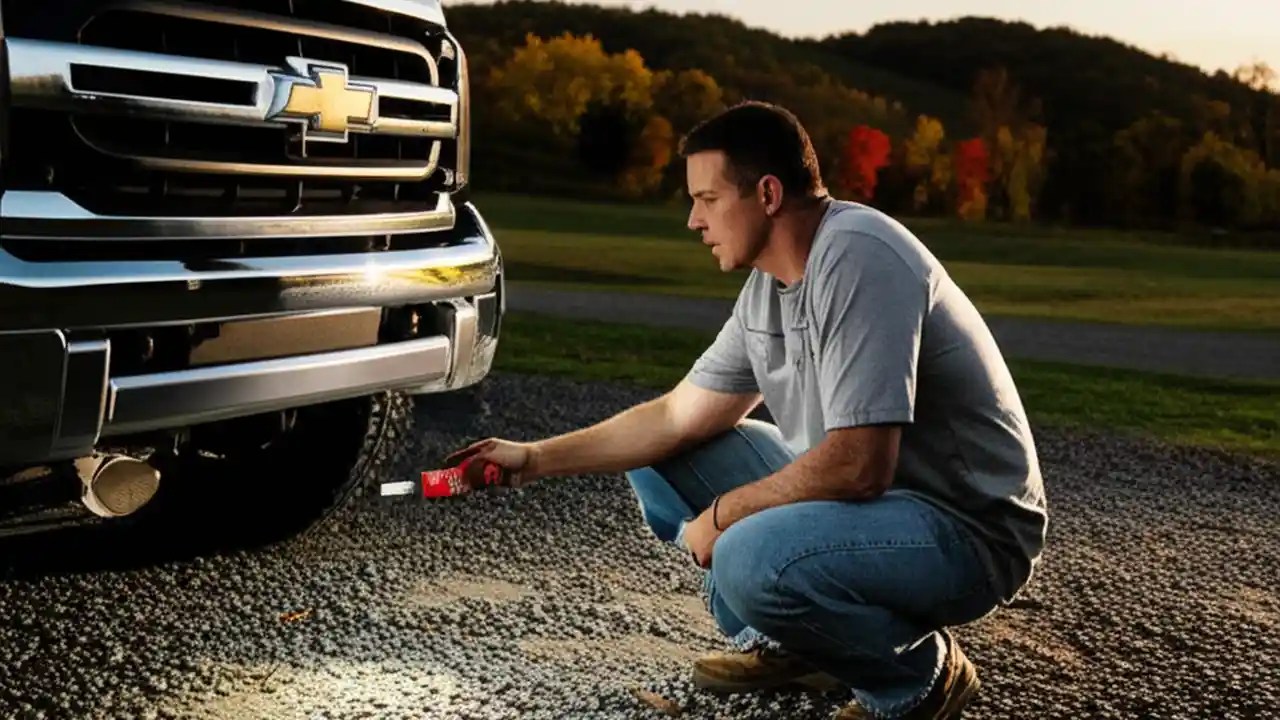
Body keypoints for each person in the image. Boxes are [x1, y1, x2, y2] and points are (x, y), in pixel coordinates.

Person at [447, 101, 1048, 719]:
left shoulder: (860, 256)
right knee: (663, 457)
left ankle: (918, 678)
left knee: (746, 556)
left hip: (969, 530)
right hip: (881, 507)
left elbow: (860, 464)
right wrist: (531, 459)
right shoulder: (768, 288)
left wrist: (724, 513)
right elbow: (675, 419)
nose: (692, 220)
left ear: (766, 193)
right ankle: (803, 645)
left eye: (707, 199)